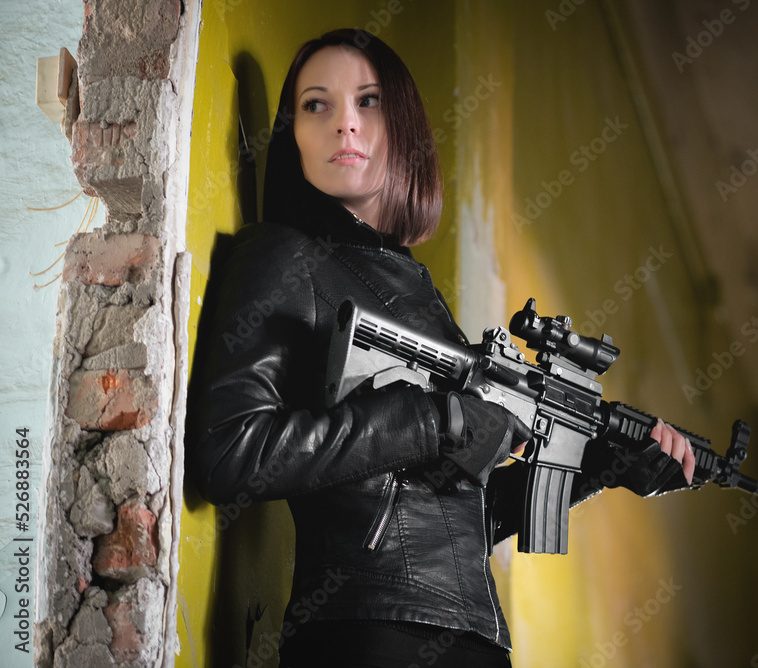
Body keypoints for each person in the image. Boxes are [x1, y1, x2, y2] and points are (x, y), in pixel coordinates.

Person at [188, 28, 696, 667]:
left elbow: (452, 519)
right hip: (366, 632)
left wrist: (602, 468)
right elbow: (230, 451)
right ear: (293, 136)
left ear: (404, 127)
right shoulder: (282, 255)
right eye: (317, 105)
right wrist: (435, 420)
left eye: (368, 101)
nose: (345, 123)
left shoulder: (420, 293)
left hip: (478, 642)